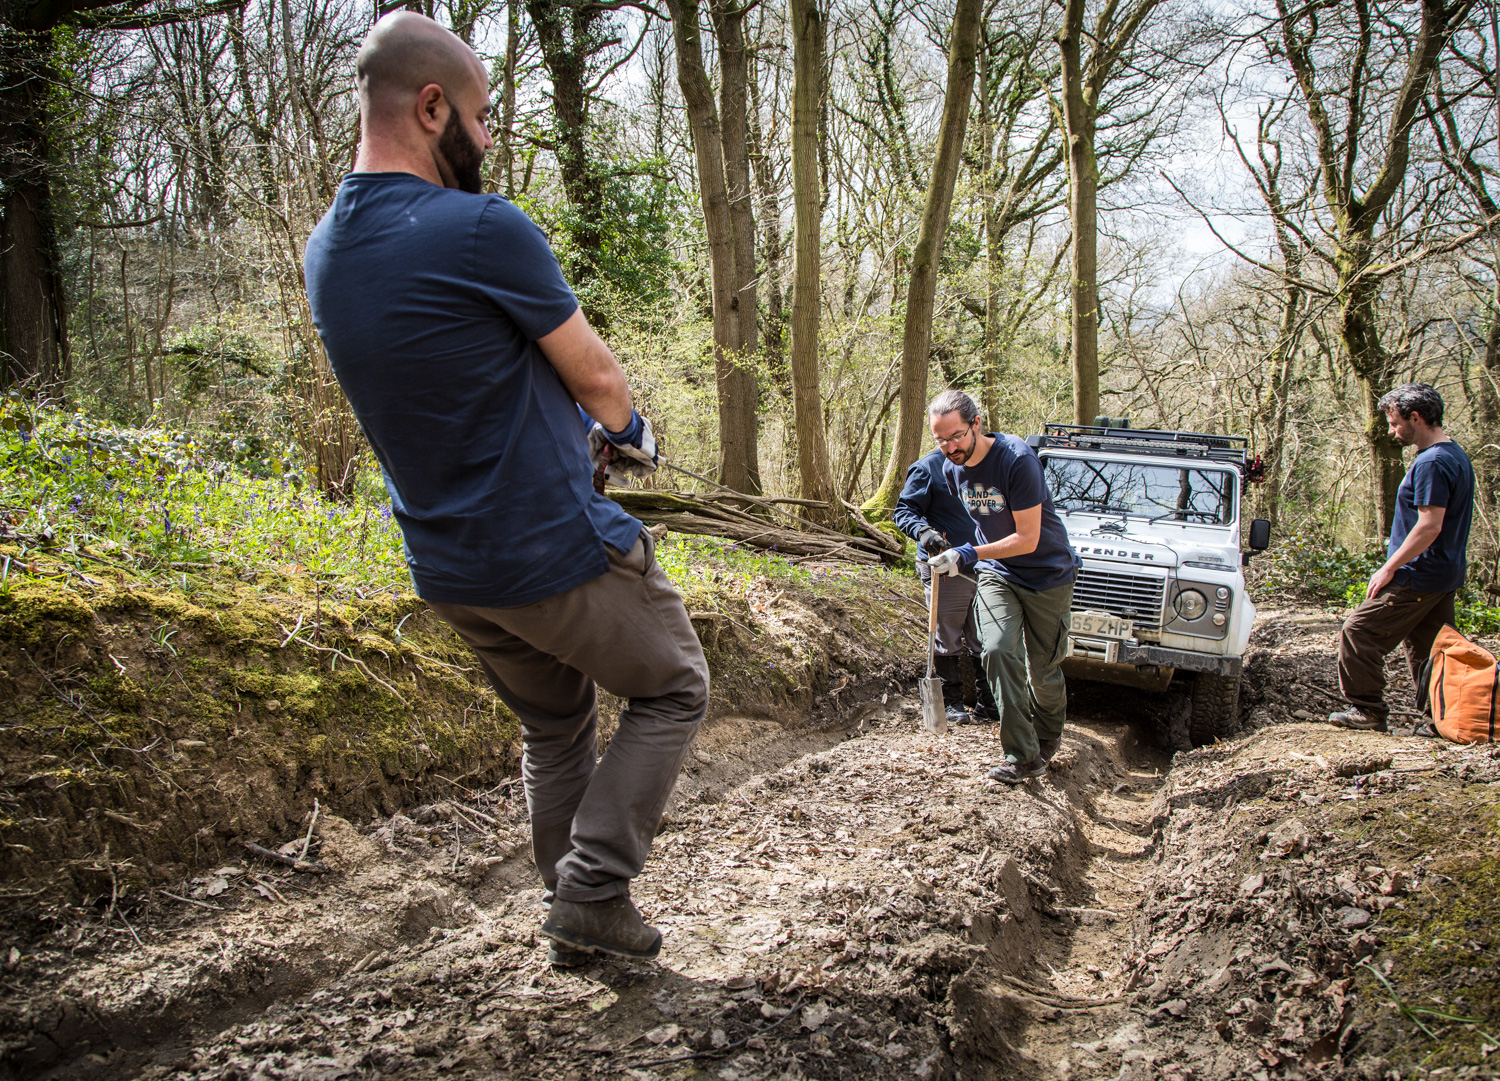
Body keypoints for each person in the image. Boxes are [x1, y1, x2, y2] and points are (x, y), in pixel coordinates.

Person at [302, 12, 708, 964]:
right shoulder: (481, 227)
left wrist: (565, 436)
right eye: (482, 119)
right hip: (549, 546)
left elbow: (459, 385)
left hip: (448, 567)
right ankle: (595, 886)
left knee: (556, 723)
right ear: (432, 105)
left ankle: (574, 915)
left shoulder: (327, 249)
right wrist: (628, 435)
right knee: (676, 685)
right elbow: (601, 381)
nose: (486, 142)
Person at [926, 390, 1081, 783]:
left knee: (1043, 673)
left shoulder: (1017, 460)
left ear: (976, 424)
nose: (950, 447)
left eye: (956, 436)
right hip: (1000, 574)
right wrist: (951, 552)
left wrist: (968, 552)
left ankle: (1047, 735)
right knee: (996, 651)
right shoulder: (950, 469)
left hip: (1047, 574)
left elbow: (1027, 538)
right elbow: (982, 524)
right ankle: (1022, 754)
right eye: (940, 440)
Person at [1329, 383, 1474, 732]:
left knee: (1359, 633)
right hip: (1443, 574)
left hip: (1418, 574)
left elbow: (1429, 526)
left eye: (1395, 423)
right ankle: (1441, 720)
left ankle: (1368, 710)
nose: (1392, 431)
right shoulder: (1455, 455)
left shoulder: (1433, 462)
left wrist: (1388, 568)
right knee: (1431, 651)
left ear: (1416, 417)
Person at [893, 449, 999, 725]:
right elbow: (903, 512)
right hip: (943, 565)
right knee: (947, 634)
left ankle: (988, 703)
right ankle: (951, 702)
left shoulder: (986, 466)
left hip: (986, 563)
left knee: (983, 636)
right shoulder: (927, 468)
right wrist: (925, 532)